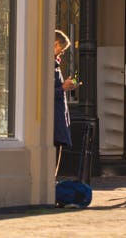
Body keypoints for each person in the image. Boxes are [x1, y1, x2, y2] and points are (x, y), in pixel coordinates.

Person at [54, 30, 77, 176]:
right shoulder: (50, 65)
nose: (61, 54)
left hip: (58, 118)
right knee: (54, 156)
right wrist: (63, 87)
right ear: (55, 44)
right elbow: (45, 92)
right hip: (54, 120)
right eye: (61, 51)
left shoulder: (54, 65)